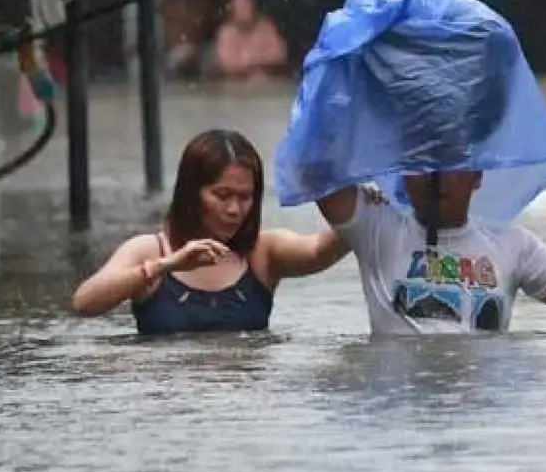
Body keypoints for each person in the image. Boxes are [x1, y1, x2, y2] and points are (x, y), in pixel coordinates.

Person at [71, 129, 364, 334]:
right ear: (191, 193)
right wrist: (167, 266)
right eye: (222, 195)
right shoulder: (150, 251)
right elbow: (84, 302)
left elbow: (320, 249)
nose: (235, 209)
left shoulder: (263, 253)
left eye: (245, 197)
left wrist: (365, 205)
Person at [314, 154, 546, 336]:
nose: (437, 178)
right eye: (422, 163)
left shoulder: (511, 244)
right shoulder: (377, 226)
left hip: (479, 414)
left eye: (451, 164)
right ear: (402, 176)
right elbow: (313, 171)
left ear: (477, 175)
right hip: (403, 416)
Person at [209, 0, 290, 82]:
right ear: (232, 11)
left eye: (247, 6)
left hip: (267, 83)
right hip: (234, 85)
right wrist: (254, 64)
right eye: (240, 7)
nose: (244, 11)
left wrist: (253, 66)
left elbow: (278, 56)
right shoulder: (225, 32)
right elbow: (227, 65)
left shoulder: (267, 27)